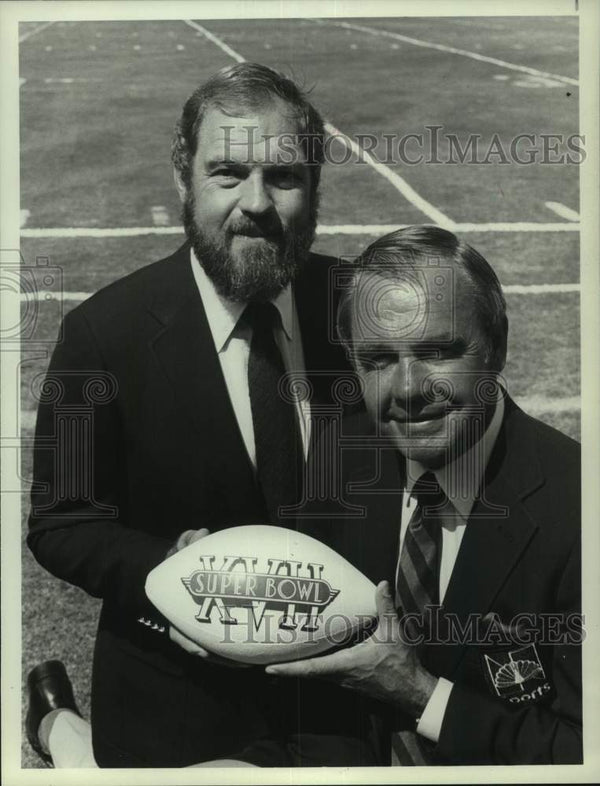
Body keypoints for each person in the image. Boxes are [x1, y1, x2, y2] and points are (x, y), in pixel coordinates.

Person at [26, 62, 365, 768]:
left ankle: (56, 726)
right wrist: (172, 572)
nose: (257, 202)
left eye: (285, 176)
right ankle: (58, 726)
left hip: (344, 703)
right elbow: (63, 524)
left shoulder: (361, 306)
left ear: (315, 188)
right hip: (177, 705)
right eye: (227, 173)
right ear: (182, 181)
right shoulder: (102, 333)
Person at [267, 226, 583, 765]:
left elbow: (584, 750)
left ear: (498, 346)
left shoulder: (579, 508)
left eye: (437, 351)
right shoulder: (340, 452)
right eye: (378, 360)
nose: (409, 389)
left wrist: (421, 695)